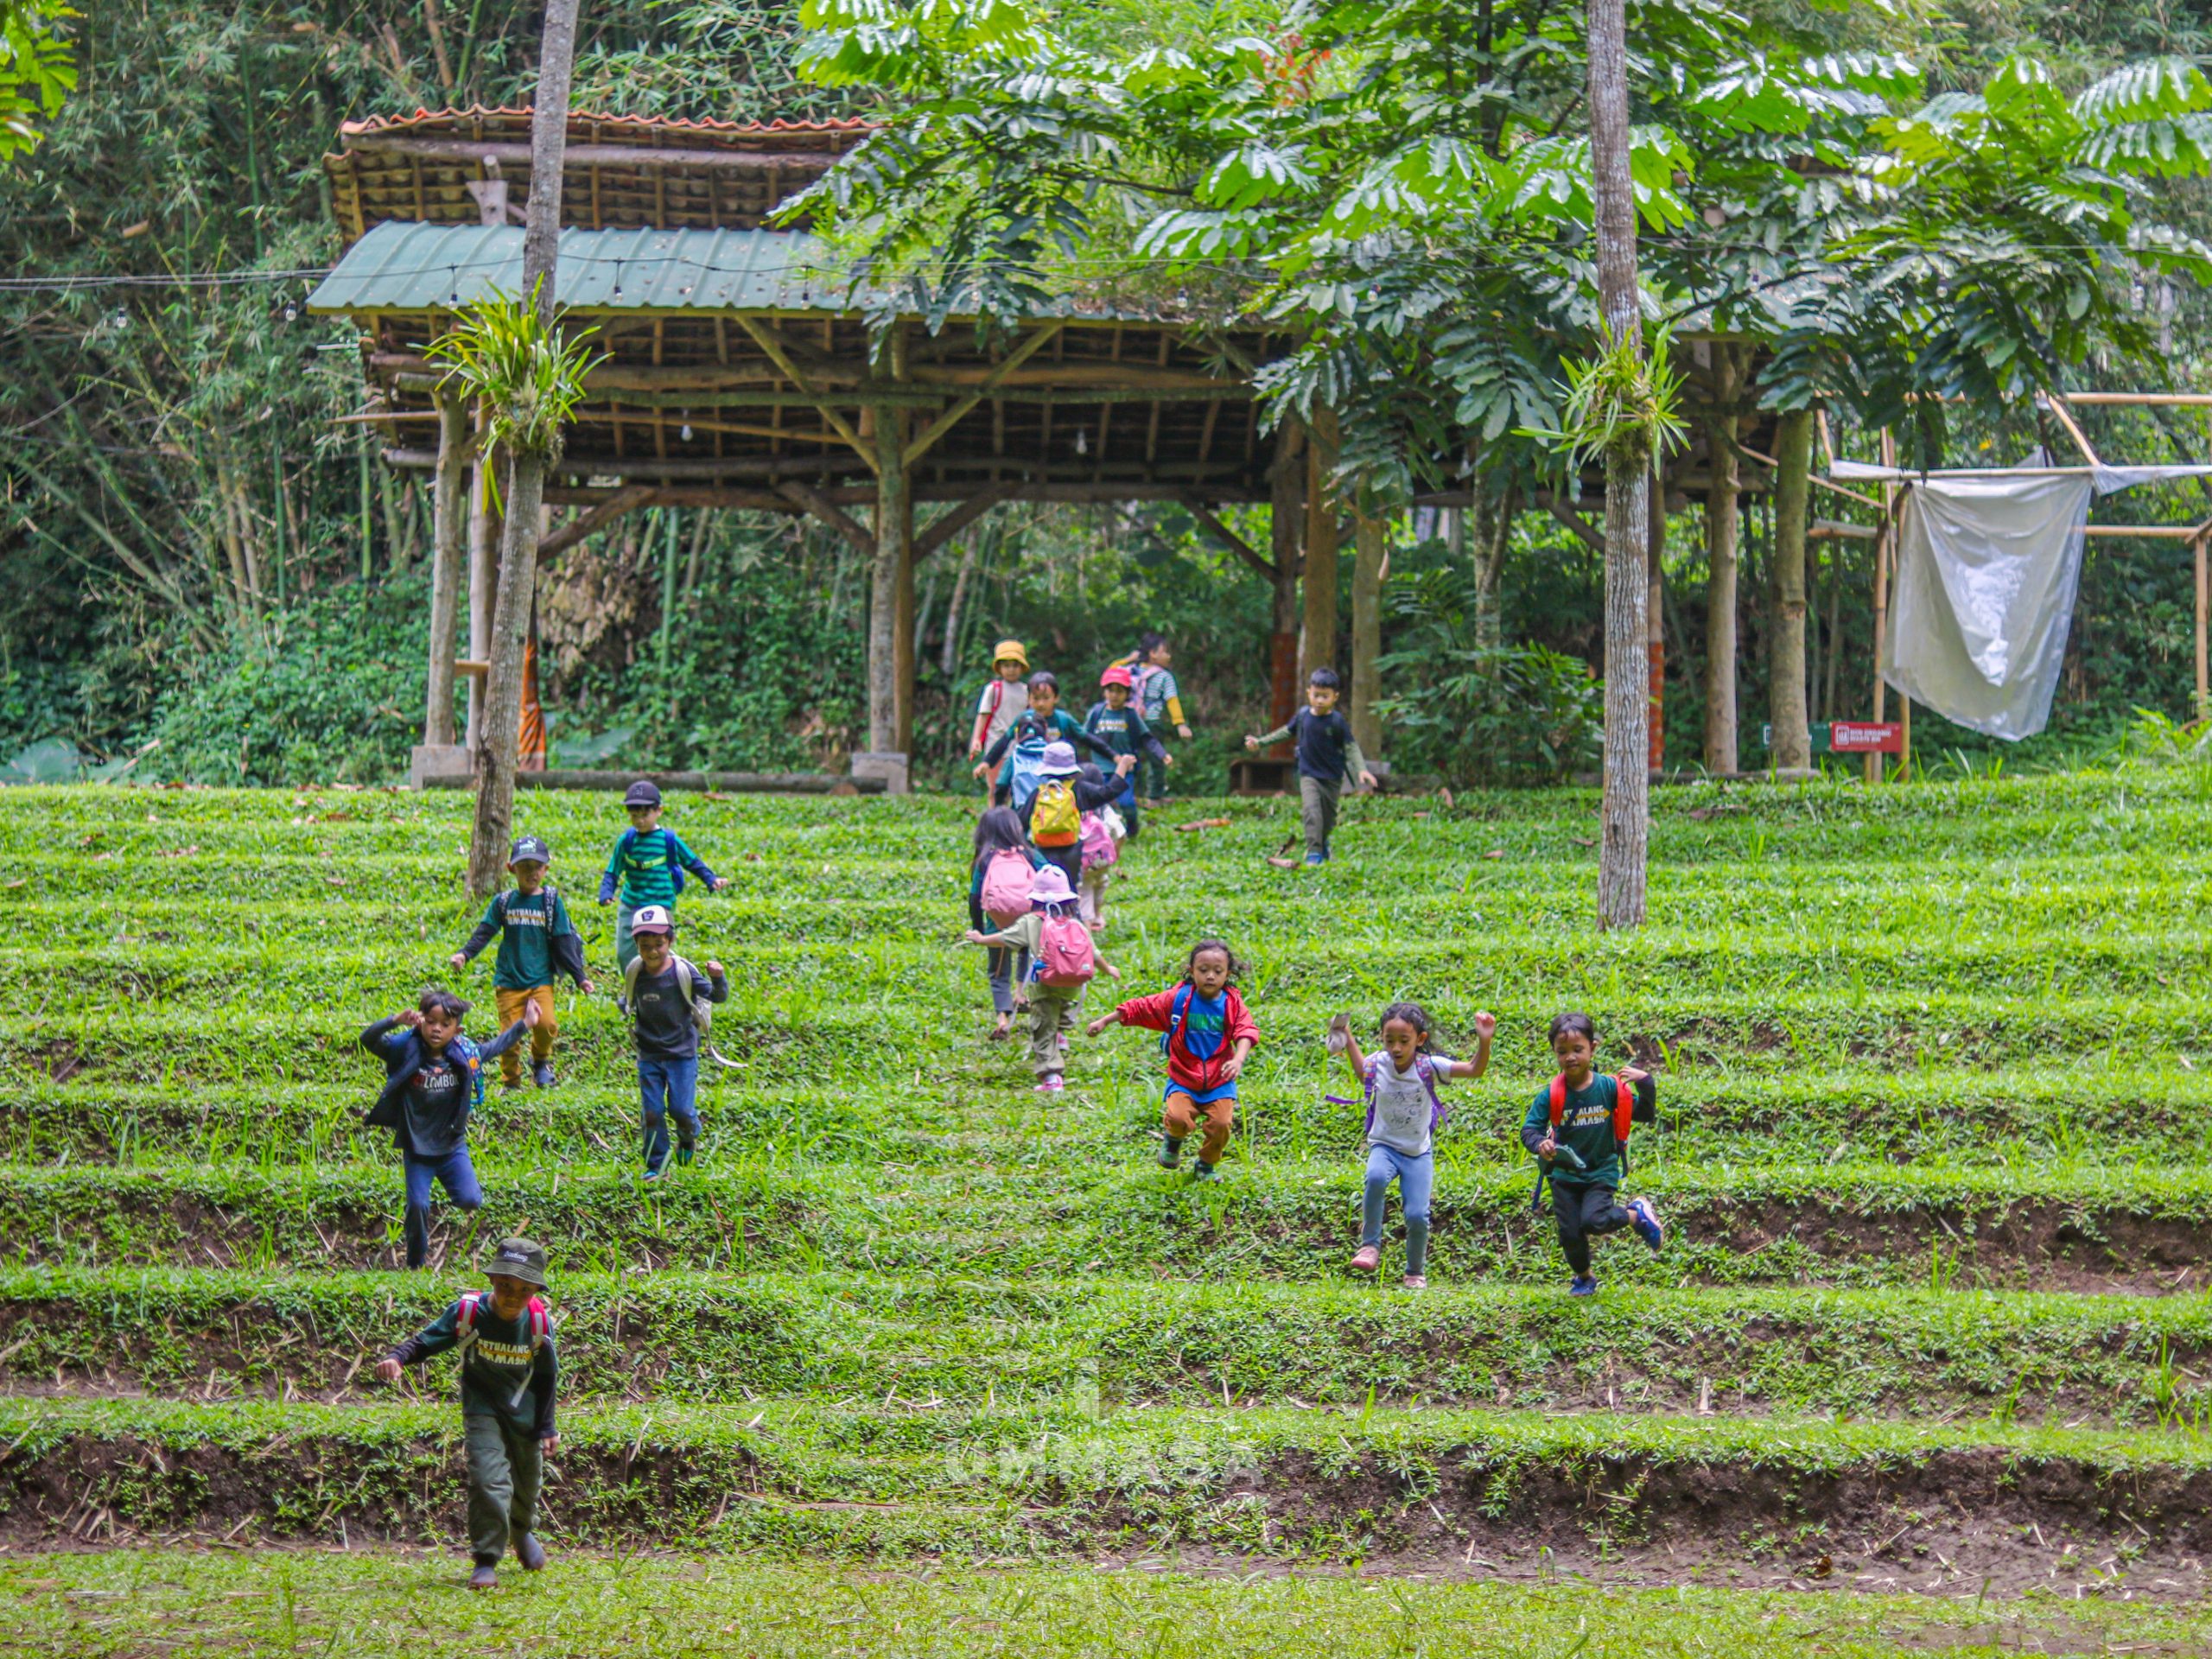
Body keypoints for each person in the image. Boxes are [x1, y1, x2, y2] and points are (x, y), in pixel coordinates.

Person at [374, 1236, 559, 1590]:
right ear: (492, 1280)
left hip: (527, 1413)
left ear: (535, 1290)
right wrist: (397, 1358)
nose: (512, 1296)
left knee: (528, 1480)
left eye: (523, 1289)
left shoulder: (538, 1323)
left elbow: (548, 1377)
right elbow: (426, 1341)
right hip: (483, 1408)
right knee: (489, 1479)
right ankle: (487, 1557)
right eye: (505, 1285)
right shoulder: (468, 1312)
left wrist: (547, 1426)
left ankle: (522, 1532)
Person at [361, 989, 537, 1270]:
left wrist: (525, 1024)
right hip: (416, 1148)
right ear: (420, 1022)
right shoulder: (405, 1049)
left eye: (445, 1024)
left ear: (458, 1030)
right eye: (430, 1021)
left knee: (470, 1199)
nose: (436, 1029)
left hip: (451, 1146)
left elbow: (495, 1047)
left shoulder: (465, 1054)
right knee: (418, 1206)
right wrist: (395, 1019)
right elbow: (368, 1039)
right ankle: (415, 1264)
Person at [1330, 1002, 1494, 1290]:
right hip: (1384, 1145)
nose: (1395, 1047)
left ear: (1420, 1039)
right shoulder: (1379, 1062)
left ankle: (1415, 1271)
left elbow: (1473, 1070)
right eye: (1388, 1040)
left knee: (1417, 1215)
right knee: (1376, 1176)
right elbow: (1361, 1073)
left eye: (1404, 1041)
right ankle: (1369, 1246)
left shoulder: (1428, 1067)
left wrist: (1484, 1039)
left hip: (1418, 1153)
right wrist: (1347, 1035)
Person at [1088, 938, 1258, 1181]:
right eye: (1203, 970)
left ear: (1228, 974)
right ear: (1191, 971)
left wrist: (1238, 1059)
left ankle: (1206, 1166)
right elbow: (1141, 1008)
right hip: (1184, 1078)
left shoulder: (1232, 1004)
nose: (1210, 976)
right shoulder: (1178, 999)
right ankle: (1172, 1142)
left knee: (1221, 1125)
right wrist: (1105, 1020)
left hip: (1220, 1080)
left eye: (1217, 971)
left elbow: (1246, 1031)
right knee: (1178, 1118)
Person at [1521, 1011, 1663, 1295]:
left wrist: (1646, 1082)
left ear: (1592, 1048)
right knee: (1570, 1235)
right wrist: (1540, 1144)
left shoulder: (1610, 1089)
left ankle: (1636, 1215)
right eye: (1562, 1052)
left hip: (1600, 1171)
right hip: (1563, 1176)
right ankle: (1585, 1277)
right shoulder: (1551, 1095)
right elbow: (1529, 1129)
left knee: (1594, 1221)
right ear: (1554, 1053)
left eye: (1578, 1050)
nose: (1570, 1057)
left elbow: (1645, 1114)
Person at [448, 835, 593, 1090]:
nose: (532, 873)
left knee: (547, 1024)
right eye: (525, 867)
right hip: (509, 981)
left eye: (537, 867)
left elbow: (563, 940)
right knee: (510, 1037)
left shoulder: (551, 902)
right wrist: (465, 954)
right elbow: (485, 932)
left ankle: (540, 1062)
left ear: (546, 869)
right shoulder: (503, 902)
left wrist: (580, 977)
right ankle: (511, 1081)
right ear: (511, 868)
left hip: (540, 980)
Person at [964, 864, 1118, 1093]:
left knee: (1042, 1027)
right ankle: (1060, 1034)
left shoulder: (1031, 922)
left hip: (1044, 985)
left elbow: (1005, 939)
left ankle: (1052, 1077)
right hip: (1072, 985)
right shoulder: (1074, 922)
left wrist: (980, 939)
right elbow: (1093, 953)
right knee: (1062, 1010)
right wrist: (1109, 969)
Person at [620, 906, 728, 1179]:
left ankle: (689, 1134)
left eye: (659, 944)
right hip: (650, 1055)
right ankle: (657, 1165)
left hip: (682, 1054)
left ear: (671, 941)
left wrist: (718, 978)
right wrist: (623, 1006)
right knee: (652, 1112)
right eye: (646, 946)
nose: (653, 951)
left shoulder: (683, 972)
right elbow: (630, 999)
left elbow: (717, 996)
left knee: (681, 1108)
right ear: (637, 945)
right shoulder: (635, 972)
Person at [1244, 667, 1378, 866]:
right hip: (1308, 775)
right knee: (1311, 811)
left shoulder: (1337, 722)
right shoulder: (1303, 716)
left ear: (1335, 697)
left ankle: (1323, 842)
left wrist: (1362, 769)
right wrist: (1260, 742)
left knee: (1328, 818)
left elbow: (1351, 747)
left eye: (1325, 696)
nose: (1320, 700)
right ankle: (1314, 852)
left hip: (1332, 777)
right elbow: (1284, 732)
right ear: (1309, 693)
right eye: (1316, 695)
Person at [598, 779, 726, 972]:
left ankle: (668, 981)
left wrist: (711, 879)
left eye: (645, 814)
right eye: (634, 815)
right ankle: (633, 987)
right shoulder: (626, 841)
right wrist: (606, 892)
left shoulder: (669, 840)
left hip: (661, 903)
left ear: (659, 810)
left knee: (658, 949)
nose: (640, 820)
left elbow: (692, 861)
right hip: (631, 903)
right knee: (625, 952)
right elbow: (613, 870)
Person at [980, 672, 1120, 810]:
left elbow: (1088, 739)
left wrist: (1114, 756)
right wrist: (987, 762)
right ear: (1029, 699)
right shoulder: (1025, 720)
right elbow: (1005, 740)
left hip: (1061, 777)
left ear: (1056, 698)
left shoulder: (1063, 719)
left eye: (1046, 698)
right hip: (1031, 776)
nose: (1041, 704)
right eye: (1036, 698)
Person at [970, 805, 1046, 1041]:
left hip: (996, 923)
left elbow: (974, 897)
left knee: (998, 971)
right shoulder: (1030, 855)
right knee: (1025, 949)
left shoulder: (986, 859)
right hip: (1028, 918)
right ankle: (1021, 994)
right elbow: (1051, 877)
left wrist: (979, 929)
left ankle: (1002, 1019)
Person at [1023, 744, 1135, 889]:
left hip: (1043, 851)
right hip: (1072, 851)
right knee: (1071, 891)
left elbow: (1020, 822)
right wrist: (1123, 765)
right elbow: (1109, 792)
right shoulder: (1080, 789)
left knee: (1046, 889)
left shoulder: (1039, 793)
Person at [1084, 665, 1171, 839]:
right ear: (1104, 692)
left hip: (1125, 769)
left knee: (1126, 803)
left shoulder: (1130, 715)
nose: (1114, 695)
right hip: (1099, 768)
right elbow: (1083, 736)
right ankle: (1102, 835)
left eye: (1119, 691)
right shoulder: (1096, 713)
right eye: (1110, 690)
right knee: (1100, 805)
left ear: (1127, 694)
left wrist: (1162, 754)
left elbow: (1146, 737)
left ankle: (1132, 829)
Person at [1118, 632, 1192, 803]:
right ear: (1153, 653)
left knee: (1127, 758)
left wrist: (1127, 659)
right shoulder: (1165, 676)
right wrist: (1180, 724)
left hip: (1129, 721)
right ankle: (1154, 796)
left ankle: (1127, 795)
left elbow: (1110, 671)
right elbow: (1172, 701)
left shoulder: (1128, 671)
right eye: (1165, 651)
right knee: (1157, 759)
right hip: (1152, 722)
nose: (1169, 656)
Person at [967, 639, 1032, 798]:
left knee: (1016, 787)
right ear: (999, 668)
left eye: (1015, 665)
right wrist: (976, 739)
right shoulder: (993, 689)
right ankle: (994, 817)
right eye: (1006, 665)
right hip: (996, 743)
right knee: (995, 787)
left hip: (1018, 745)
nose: (1011, 670)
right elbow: (983, 716)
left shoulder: (1027, 691)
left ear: (1022, 668)